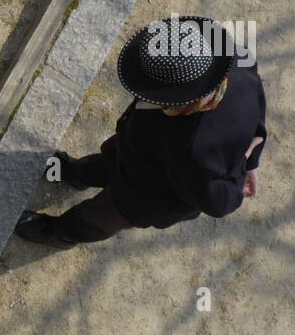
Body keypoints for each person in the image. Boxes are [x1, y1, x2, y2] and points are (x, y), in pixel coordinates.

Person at [15, 15, 268, 248]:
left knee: (101, 215)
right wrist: (254, 157)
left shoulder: (196, 152)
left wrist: (242, 169)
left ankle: (61, 233)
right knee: (103, 164)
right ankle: (75, 174)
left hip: (148, 192)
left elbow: (218, 202)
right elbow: (257, 105)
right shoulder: (235, 60)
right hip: (132, 148)